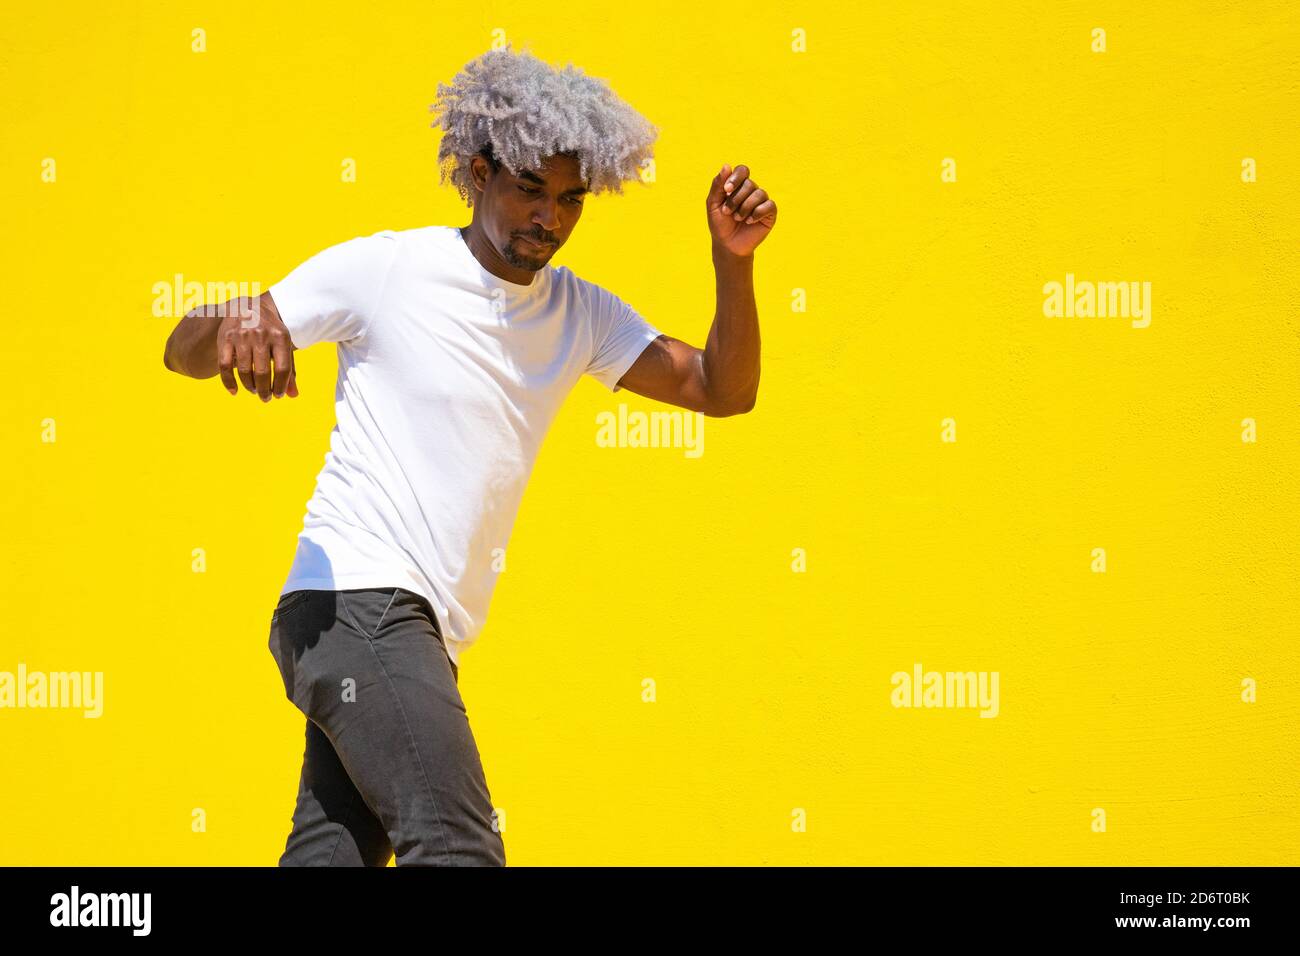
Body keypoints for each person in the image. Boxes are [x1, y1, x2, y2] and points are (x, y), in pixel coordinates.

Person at [162, 44, 776, 866]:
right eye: (529, 189)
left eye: (570, 199)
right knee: (458, 848)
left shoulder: (578, 312)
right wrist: (236, 320)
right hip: (359, 602)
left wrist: (731, 264)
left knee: (331, 855)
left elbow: (720, 389)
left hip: (412, 631)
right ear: (478, 173)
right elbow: (183, 348)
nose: (549, 218)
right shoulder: (389, 268)